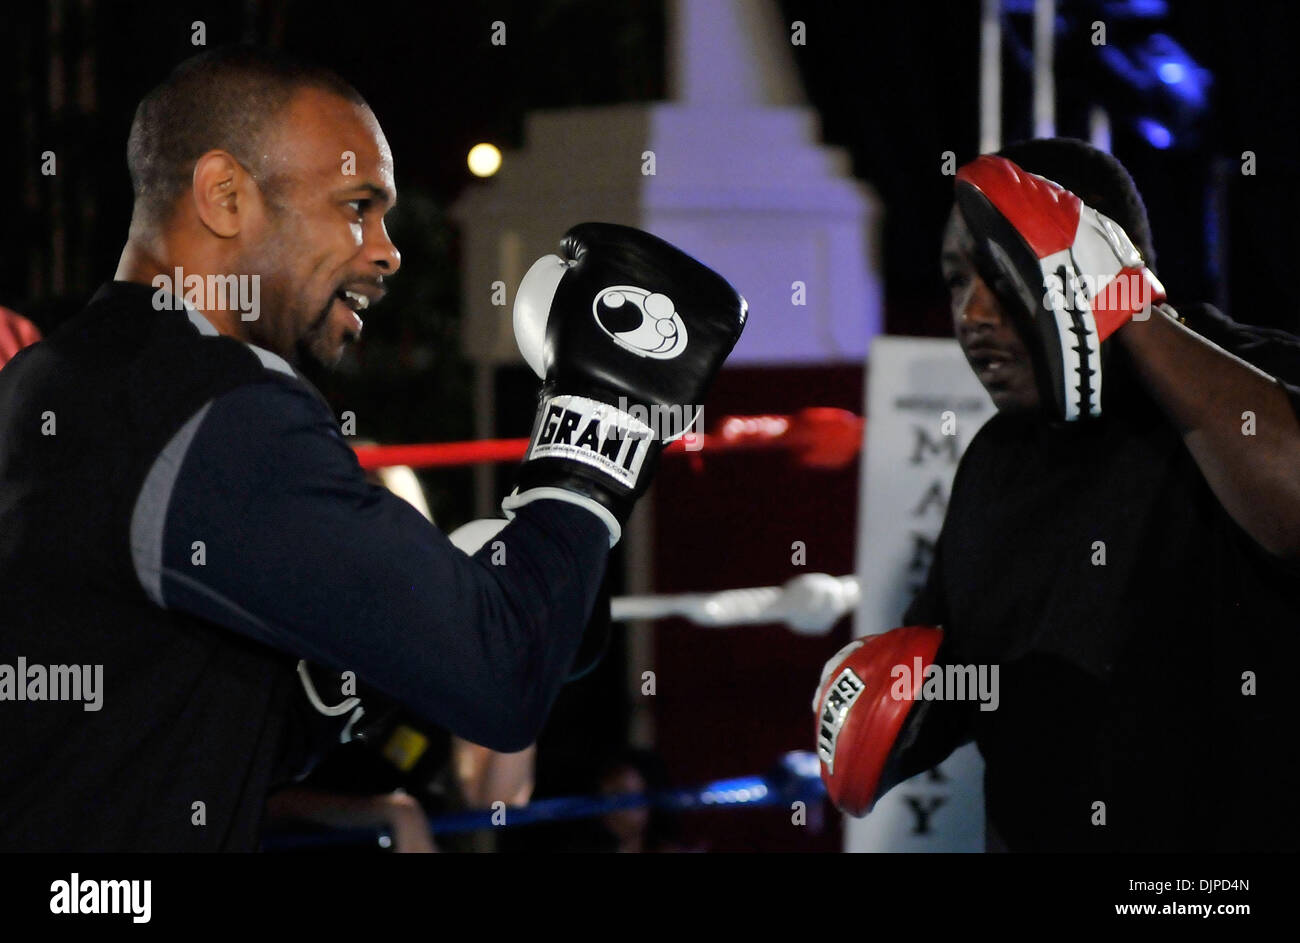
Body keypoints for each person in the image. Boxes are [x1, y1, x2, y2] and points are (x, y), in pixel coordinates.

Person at [0, 45, 746, 851]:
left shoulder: (50, 379)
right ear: (224, 195)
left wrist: (349, 669)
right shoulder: (221, 407)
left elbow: (145, 728)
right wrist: (598, 429)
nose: (386, 250)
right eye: (356, 205)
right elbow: (503, 679)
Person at [817, 137, 1300, 852]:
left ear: (1088, 260)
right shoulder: (995, 458)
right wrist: (901, 703)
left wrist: (1127, 305)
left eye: (999, 277)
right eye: (955, 283)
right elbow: (975, 669)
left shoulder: (1254, 378)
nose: (971, 315)